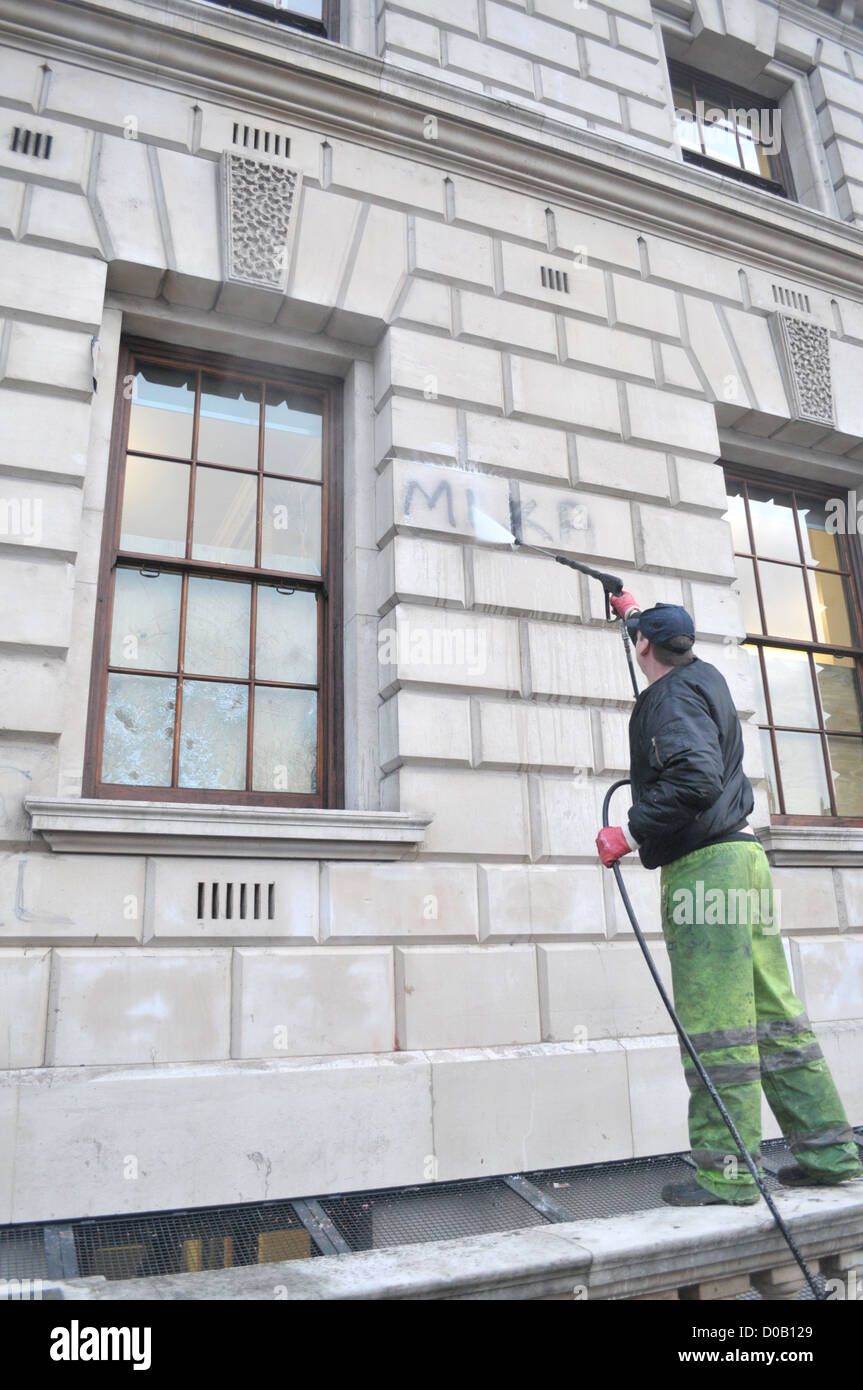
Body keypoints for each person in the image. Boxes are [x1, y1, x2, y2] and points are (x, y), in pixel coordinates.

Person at [595, 597, 862, 1206]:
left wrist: (628, 833)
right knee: (774, 1013)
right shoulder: (703, 676)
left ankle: (729, 1176)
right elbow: (668, 643)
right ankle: (829, 1155)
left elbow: (694, 778)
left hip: (705, 872)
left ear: (643, 649)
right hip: (745, 860)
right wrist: (635, 610)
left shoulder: (664, 699)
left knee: (718, 1025)